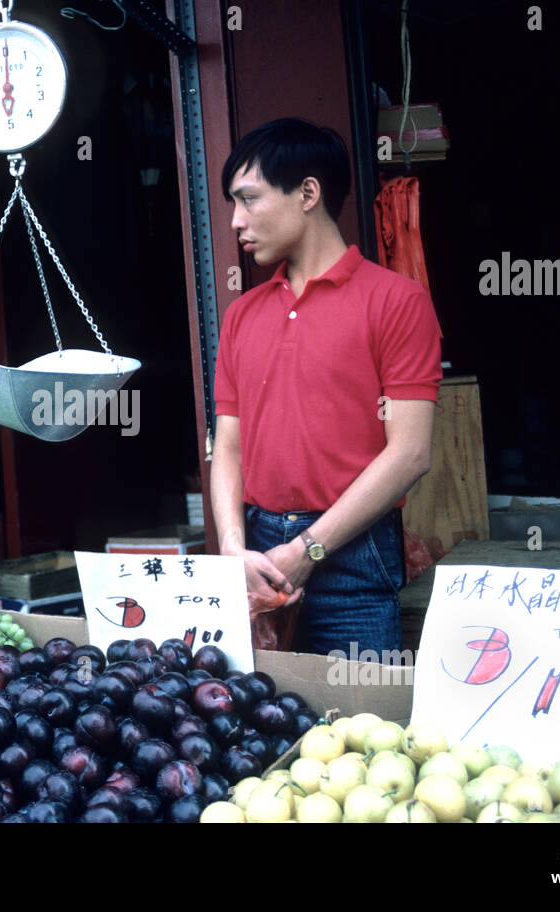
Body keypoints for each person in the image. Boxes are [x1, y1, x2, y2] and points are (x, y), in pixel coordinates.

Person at [210, 118, 442, 658]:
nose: (236, 222)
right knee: (255, 726)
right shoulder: (241, 316)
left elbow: (410, 453)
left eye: (248, 199)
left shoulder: (396, 301)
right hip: (255, 552)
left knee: (361, 727)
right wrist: (230, 549)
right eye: (232, 204)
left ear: (308, 193)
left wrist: (307, 550)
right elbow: (228, 446)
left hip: (354, 553)